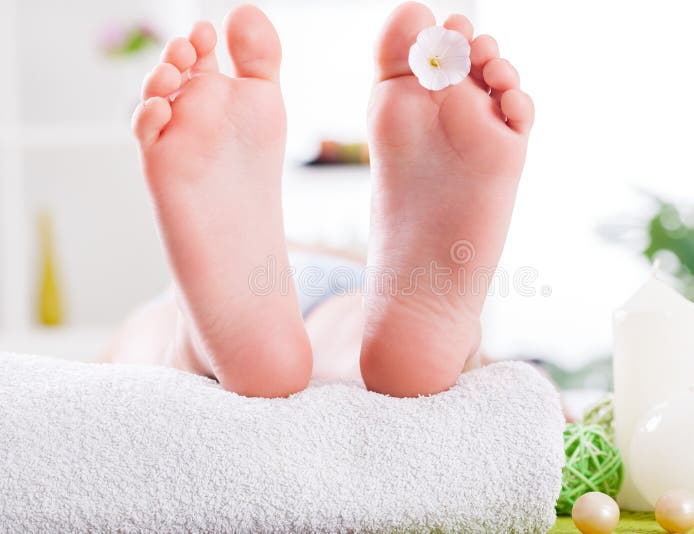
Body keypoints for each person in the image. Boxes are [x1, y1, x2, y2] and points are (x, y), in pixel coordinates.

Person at [119, 2, 535, 398]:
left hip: (265, 286)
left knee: (148, 331)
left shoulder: (213, 271)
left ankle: (192, 348)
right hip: (359, 287)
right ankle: (439, 356)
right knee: (352, 329)